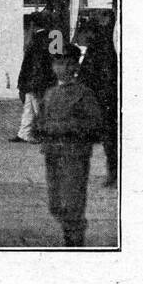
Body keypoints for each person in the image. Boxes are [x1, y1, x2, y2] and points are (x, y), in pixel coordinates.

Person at [37, 42, 105, 247]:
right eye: (58, 63)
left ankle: (75, 244)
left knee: (72, 204)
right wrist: (43, 129)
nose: (62, 68)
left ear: (76, 67)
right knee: (56, 204)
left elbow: (94, 124)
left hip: (74, 155)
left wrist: (62, 127)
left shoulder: (84, 94)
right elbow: (41, 119)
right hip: (53, 154)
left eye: (68, 64)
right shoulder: (50, 93)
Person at [75, 20, 118, 186]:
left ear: (88, 32)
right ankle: (112, 173)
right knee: (109, 140)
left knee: (110, 140)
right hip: (104, 99)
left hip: (104, 100)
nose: (79, 39)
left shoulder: (100, 48)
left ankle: (113, 174)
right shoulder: (103, 44)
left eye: (81, 34)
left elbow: (97, 76)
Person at [13, 17, 55, 142]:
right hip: (38, 80)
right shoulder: (49, 38)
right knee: (29, 107)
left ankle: (43, 133)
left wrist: (25, 81)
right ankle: (24, 133)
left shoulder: (36, 40)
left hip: (34, 80)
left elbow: (32, 63)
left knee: (37, 108)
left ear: (33, 26)